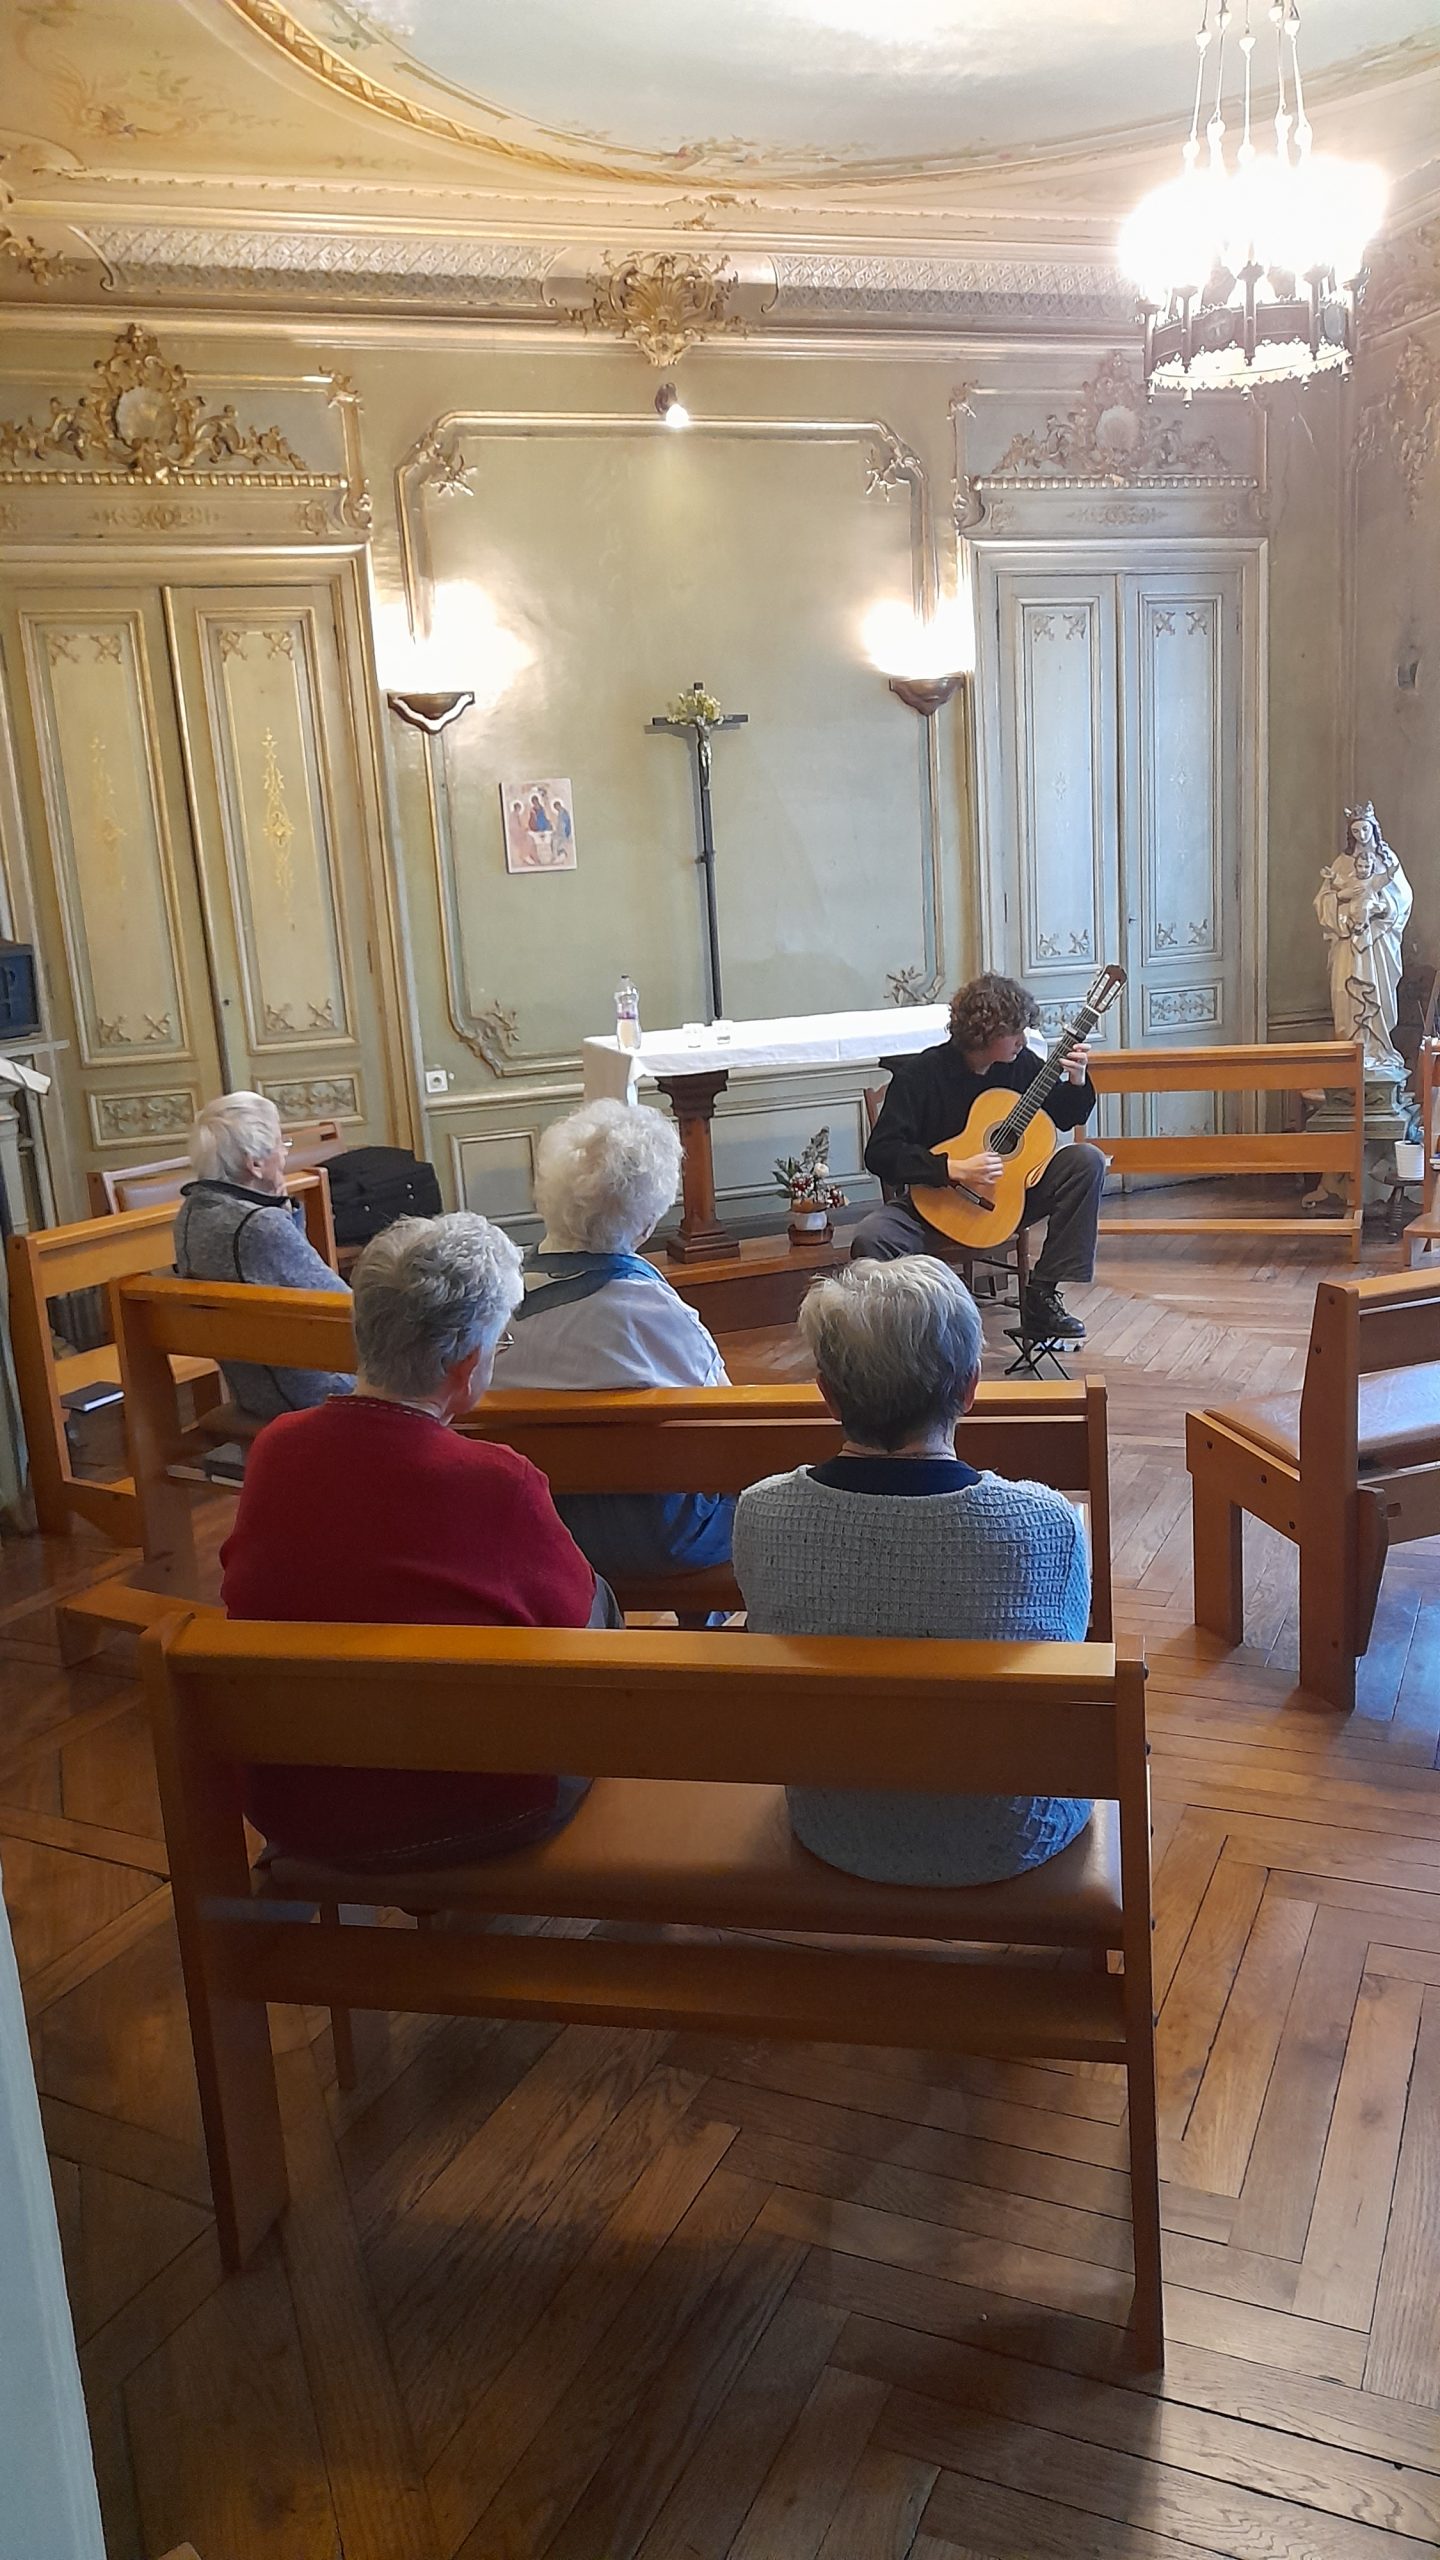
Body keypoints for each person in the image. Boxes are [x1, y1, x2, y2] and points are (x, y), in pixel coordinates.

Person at [222, 1212, 618, 1869]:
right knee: (597, 1596)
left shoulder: (275, 1448)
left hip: (298, 1802)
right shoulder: (498, 1480)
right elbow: (574, 1631)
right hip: (463, 1804)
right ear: (466, 1369)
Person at [733, 1257, 1093, 1888]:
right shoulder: (1046, 1522)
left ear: (827, 1392)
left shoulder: (762, 1511)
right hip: (1012, 1829)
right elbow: (1065, 1665)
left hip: (835, 1819)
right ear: (971, 1386)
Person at [493, 1097, 733, 1581]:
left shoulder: (491, 1297)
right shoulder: (652, 1313)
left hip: (533, 1526)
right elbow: (723, 1422)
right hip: (654, 1537)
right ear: (645, 1225)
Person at [851, 970, 1104, 1342]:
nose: (1023, 1040)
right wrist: (951, 1168)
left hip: (1007, 1199)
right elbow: (881, 1153)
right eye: (1013, 1032)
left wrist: (1078, 1081)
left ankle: (1042, 1294)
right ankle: (903, 1335)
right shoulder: (921, 1075)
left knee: (1087, 1161)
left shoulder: (1019, 1064)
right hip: (935, 1205)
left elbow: (1066, 1115)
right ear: (983, 1033)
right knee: (872, 1236)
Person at [174, 1091, 353, 1420]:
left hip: (254, 1390)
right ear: (255, 1164)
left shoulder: (193, 1212)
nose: (284, 1156)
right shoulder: (260, 1227)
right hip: (312, 1392)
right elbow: (344, 1305)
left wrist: (282, 1211)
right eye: (280, 1144)